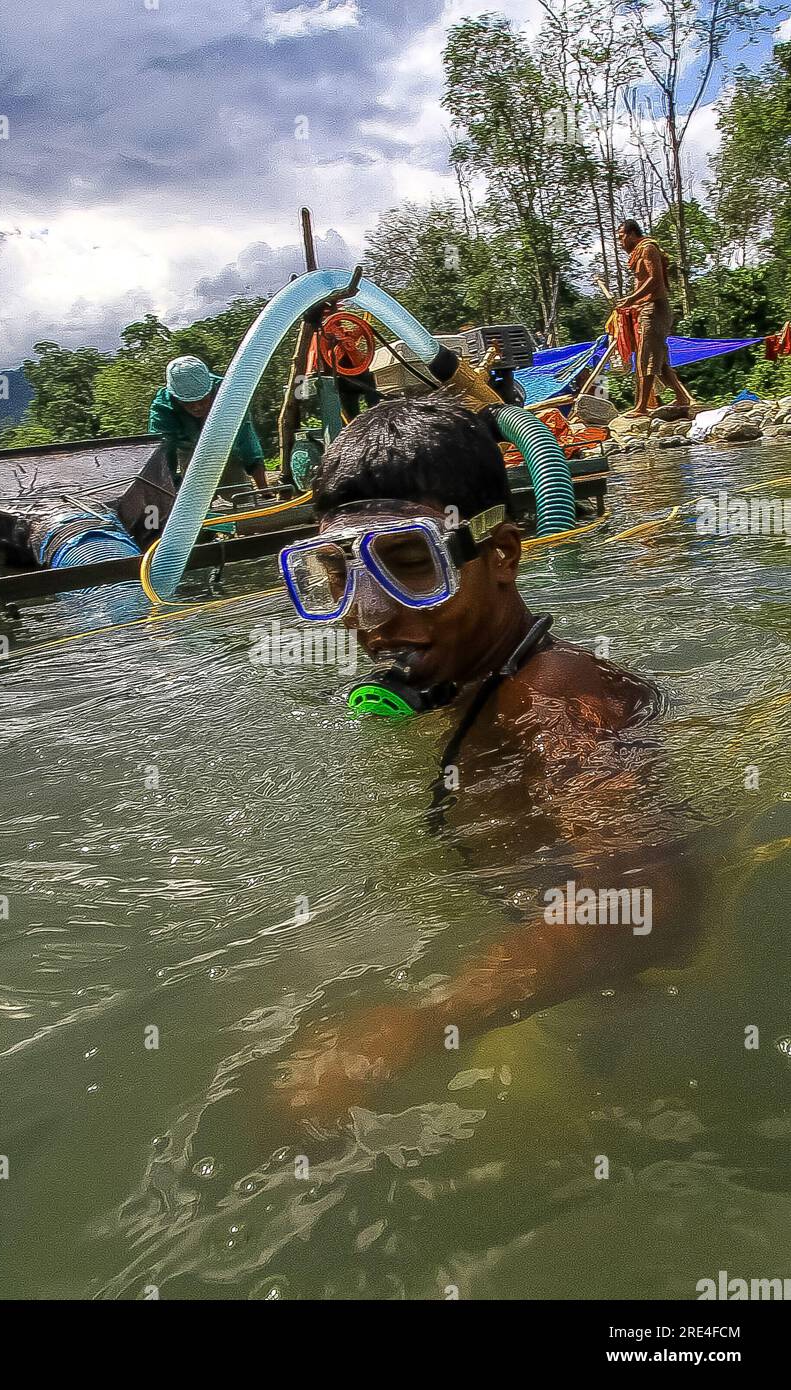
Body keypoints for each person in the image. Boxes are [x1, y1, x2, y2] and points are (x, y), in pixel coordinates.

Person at [273, 396, 697, 1120]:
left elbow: (645, 898)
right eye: (338, 576)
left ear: (499, 554)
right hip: (550, 965)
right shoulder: (448, 686)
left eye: (409, 566)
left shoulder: (559, 695)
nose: (368, 617)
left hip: (638, 1005)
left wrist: (423, 1023)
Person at [148, 355, 268, 493]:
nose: (197, 407)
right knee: (190, 498)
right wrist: (171, 492)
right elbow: (162, 454)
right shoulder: (162, 408)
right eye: (189, 403)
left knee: (242, 496)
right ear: (175, 397)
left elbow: (247, 440)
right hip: (189, 452)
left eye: (202, 400)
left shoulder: (230, 394)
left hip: (225, 447)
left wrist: (264, 490)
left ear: (211, 390)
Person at [616, 220, 693, 417]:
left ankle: (641, 407)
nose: (621, 242)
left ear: (632, 234)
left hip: (656, 309)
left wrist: (632, 298)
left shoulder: (648, 248)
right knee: (660, 360)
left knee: (646, 356)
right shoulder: (639, 253)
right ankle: (682, 398)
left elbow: (655, 279)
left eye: (622, 237)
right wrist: (633, 303)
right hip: (646, 308)